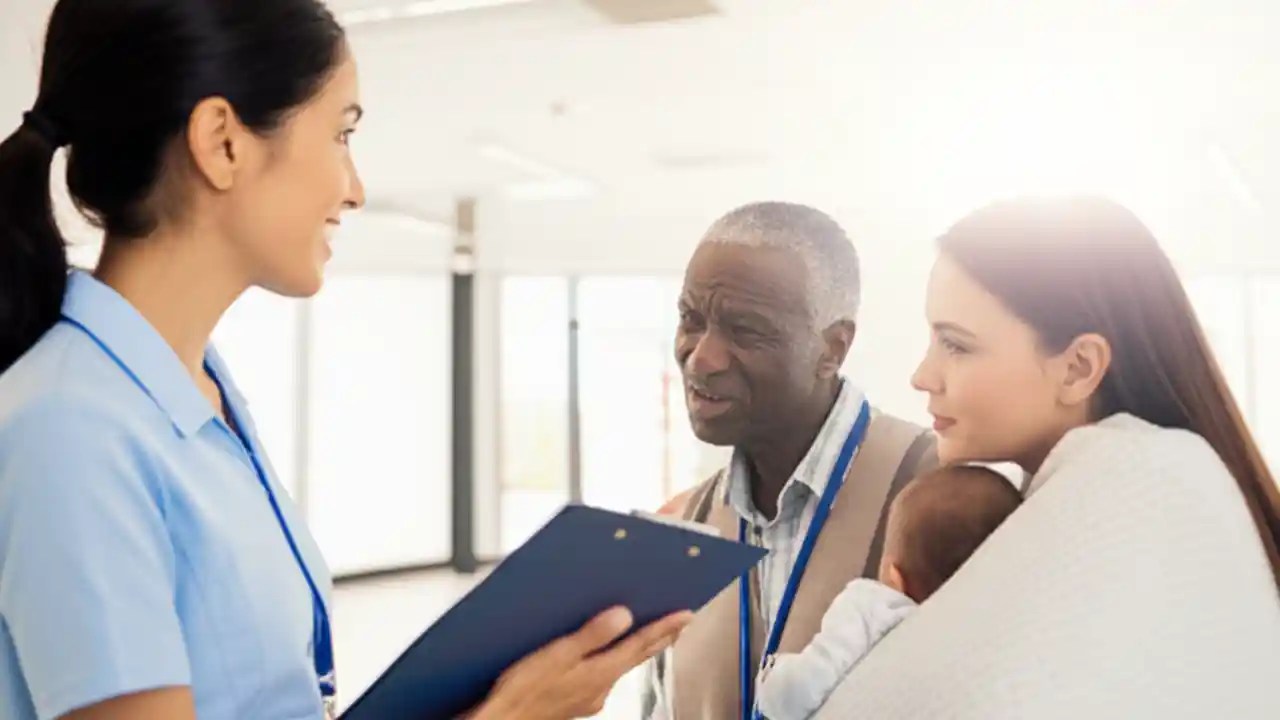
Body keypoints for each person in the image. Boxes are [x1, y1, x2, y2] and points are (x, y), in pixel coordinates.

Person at [0, 2, 690, 719]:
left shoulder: (202, 395)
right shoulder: (70, 430)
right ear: (222, 143)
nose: (354, 188)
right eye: (341, 134)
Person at [812, 196, 1280, 718]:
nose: (922, 375)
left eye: (956, 345)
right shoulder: (1135, 485)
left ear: (1078, 367)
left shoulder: (1139, 477)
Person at [643, 202, 938, 720]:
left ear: (833, 348)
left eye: (746, 330)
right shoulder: (686, 530)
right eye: (691, 319)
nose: (701, 357)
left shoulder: (936, 492)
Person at [756, 465, 1022, 720]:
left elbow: (800, 690)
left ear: (895, 577)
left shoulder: (873, 609)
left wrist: (772, 676)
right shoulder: (995, 633)